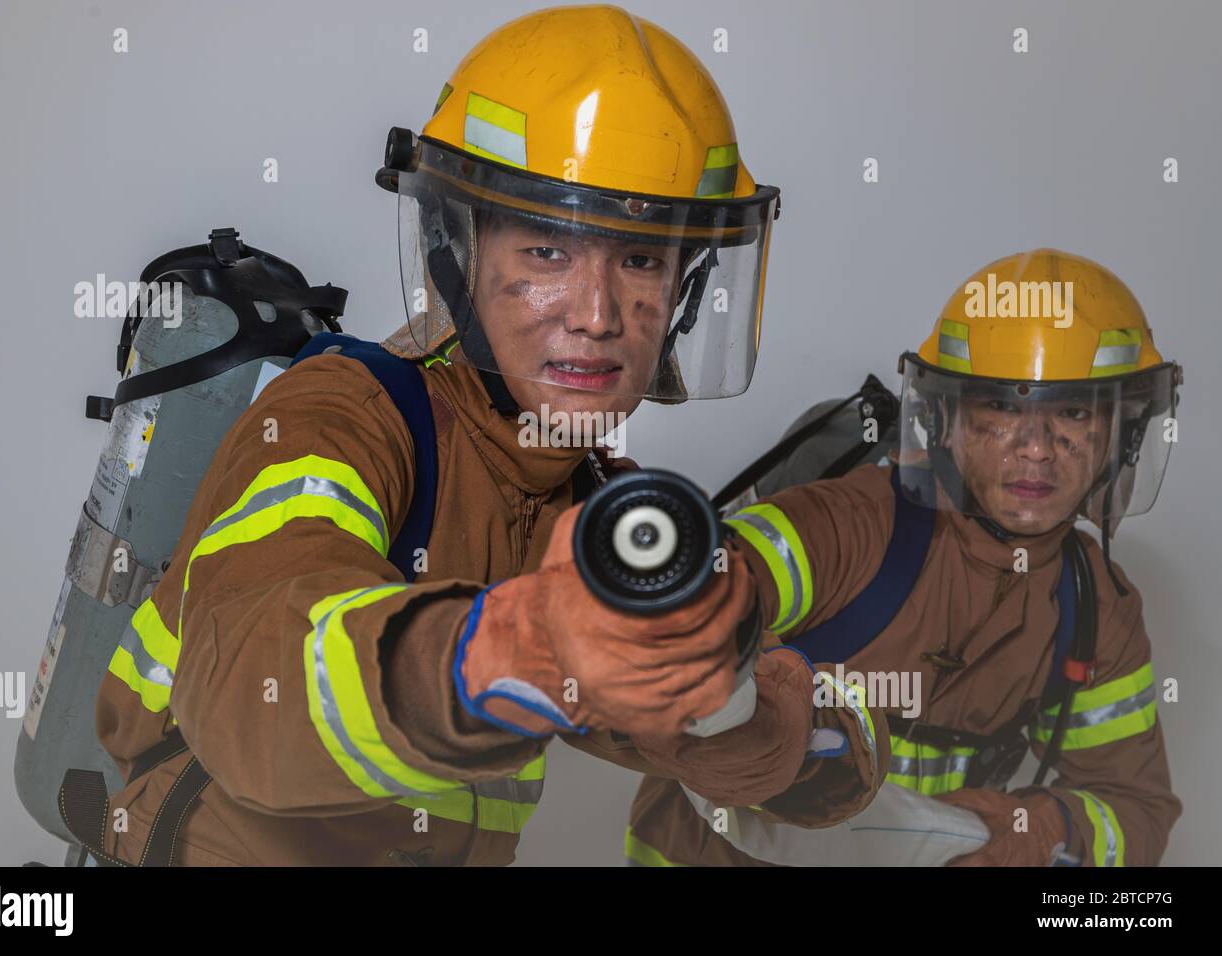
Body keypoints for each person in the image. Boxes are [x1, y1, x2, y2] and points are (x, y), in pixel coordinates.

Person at [86, 4, 887, 867]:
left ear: (687, 291)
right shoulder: (341, 416)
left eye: (643, 259)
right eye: (548, 251)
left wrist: (783, 725)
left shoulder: (595, 506)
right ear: (457, 253)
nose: (599, 314)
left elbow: (726, 731)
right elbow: (264, 675)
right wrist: (517, 648)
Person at [624, 248, 1184, 867]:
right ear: (945, 420)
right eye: (1002, 407)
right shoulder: (850, 524)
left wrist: (1047, 822)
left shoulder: (1097, 607)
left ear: (1121, 437)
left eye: (1075, 412)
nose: (1036, 450)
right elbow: (695, 595)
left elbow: (1136, 809)